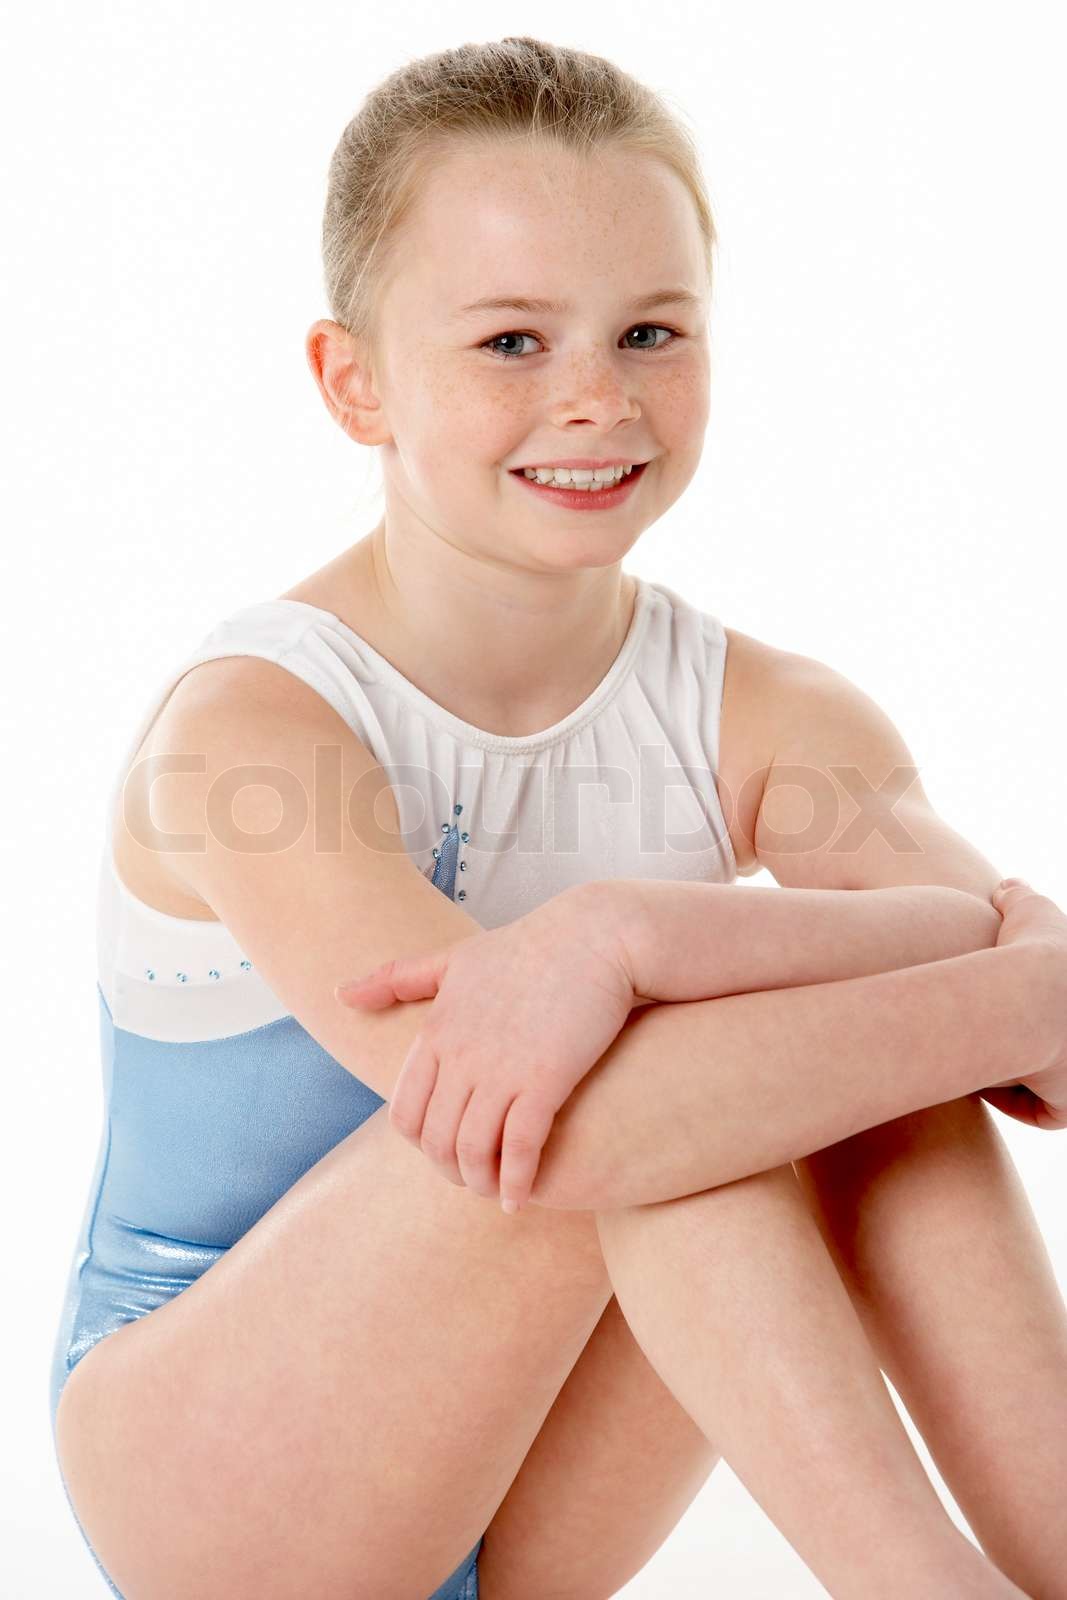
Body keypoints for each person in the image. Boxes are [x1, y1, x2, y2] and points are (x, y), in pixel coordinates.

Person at [48, 35, 1067, 1600]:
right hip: (226, 1475)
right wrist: (1014, 970)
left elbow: (1012, 1056)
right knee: (669, 1086)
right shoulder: (255, 730)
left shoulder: (779, 714)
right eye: (513, 341)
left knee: (848, 1068)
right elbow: (520, 1125)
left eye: (650, 331)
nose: (596, 396)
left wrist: (637, 931)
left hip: (537, 1474)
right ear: (355, 382)